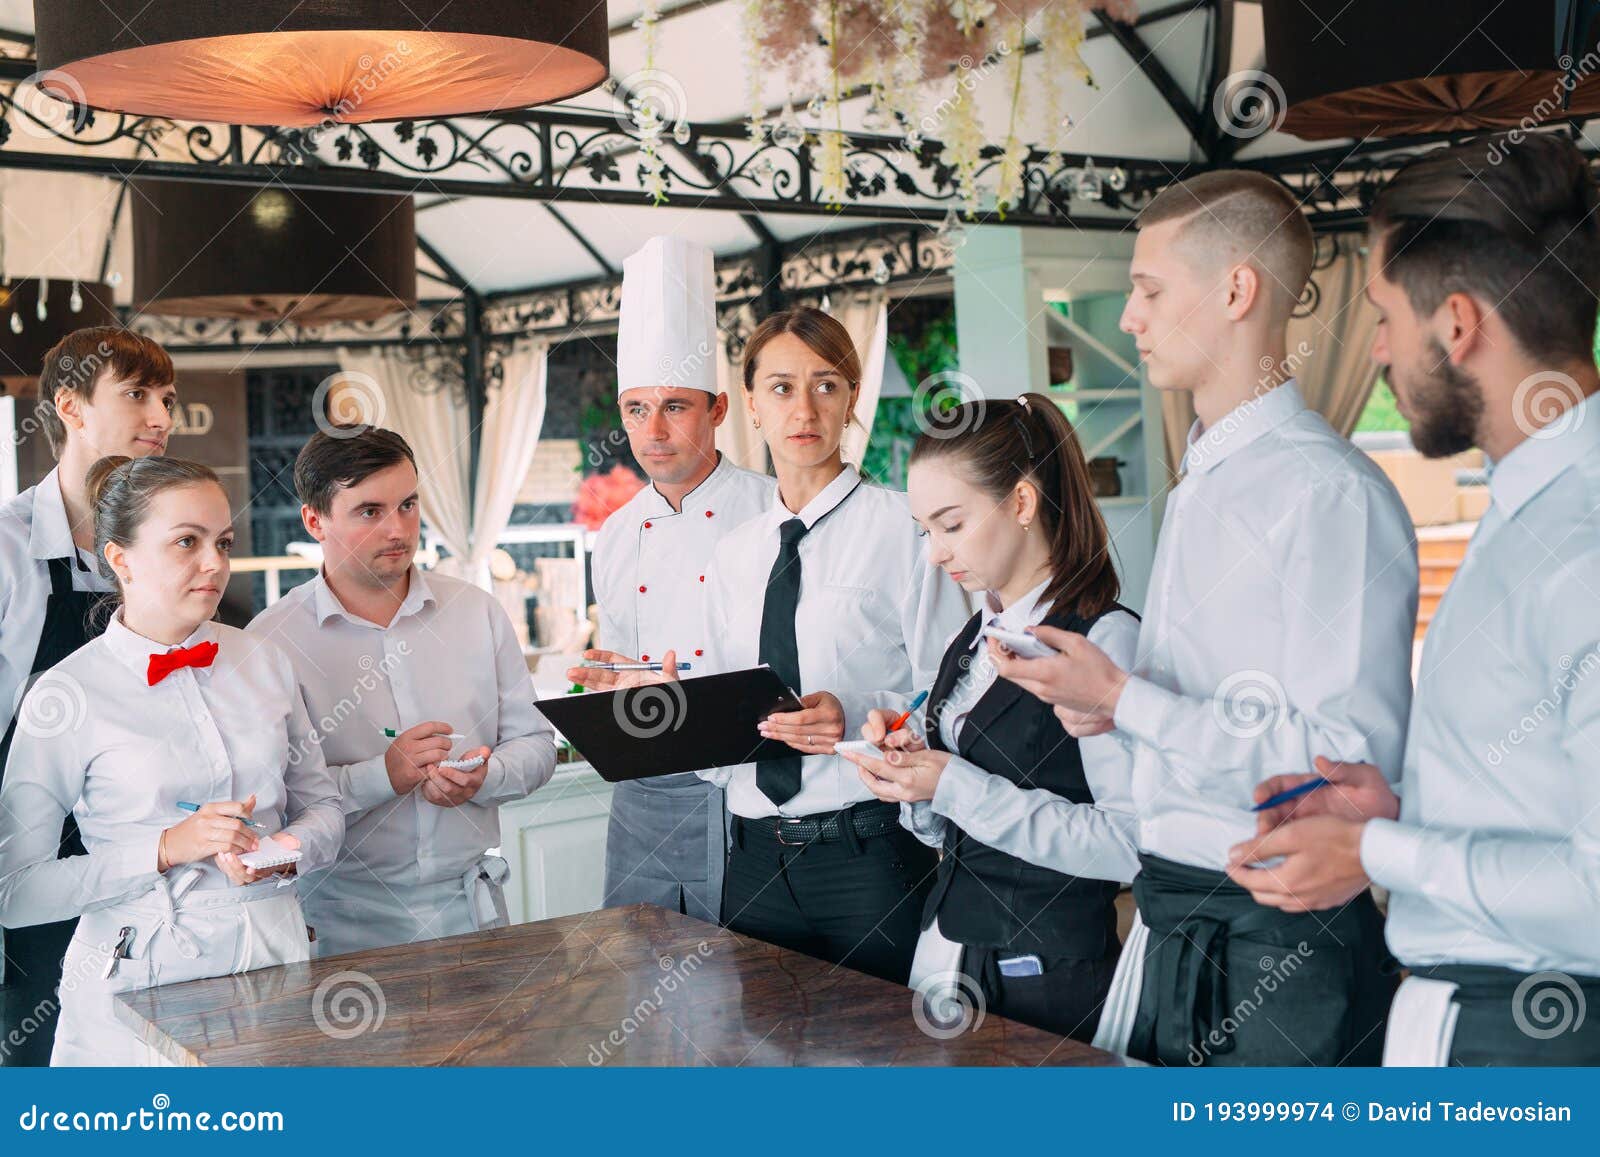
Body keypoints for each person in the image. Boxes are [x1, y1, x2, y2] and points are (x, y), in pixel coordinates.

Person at [993, 171, 1419, 1065]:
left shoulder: (1328, 491)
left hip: (1275, 939)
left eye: (1149, 290)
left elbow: (1344, 756)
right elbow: (1217, 714)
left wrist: (1127, 697)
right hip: (1173, 913)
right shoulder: (1204, 480)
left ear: (1236, 289)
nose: (1128, 318)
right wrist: (1112, 706)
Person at [1226, 133, 1600, 1066]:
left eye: (1386, 314)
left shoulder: (1581, 545)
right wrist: (1397, 814)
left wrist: (1383, 854)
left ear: (1460, 324)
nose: (1380, 347)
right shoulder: (1531, 506)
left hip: (1529, 1039)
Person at [580, 307, 969, 983]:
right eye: (783, 387)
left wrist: (858, 715)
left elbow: (958, 693)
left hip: (870, 853)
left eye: (825, 384)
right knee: (762, 1065)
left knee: (888, 1071)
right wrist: (679, 712)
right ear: (753, 407)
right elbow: (726, 728)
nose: (805, 408)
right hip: (752, 861)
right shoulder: (735, 554)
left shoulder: (906, 529)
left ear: (851, 396)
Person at [0, 455, 343, 1066]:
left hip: (274, 963)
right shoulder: (65, 695)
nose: (214, 564)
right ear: (120, 558)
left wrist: (280, 853)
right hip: (135, 984)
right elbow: (16, 892)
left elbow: (324, 807)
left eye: (224, 542)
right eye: (187, 541)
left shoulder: (265, 662)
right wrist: (162, 849)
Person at [839, 394, 1140, 1042]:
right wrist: (911, 774)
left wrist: (951, 782)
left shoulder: (1105, 640)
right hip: (949, 954)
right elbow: (950, 834)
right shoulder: (972, 637)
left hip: (1049, 981)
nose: (934, 554)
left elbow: (1127, 844)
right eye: (924, 529)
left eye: (951, 524)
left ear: (1023, 504)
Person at [248, 426, 557, 957]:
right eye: (370, 511)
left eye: (408, 505)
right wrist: (381, 777)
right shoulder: (269, 642)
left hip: (472, 909)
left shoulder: (476, 611)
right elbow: (267, 805)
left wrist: (488, 776)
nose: (398, 529)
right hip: (336, 922)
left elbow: (537, 745)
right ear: (314, 520)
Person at [581, 236, 771, 923]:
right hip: (642, 792)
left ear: (718, 409)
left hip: (745, 788)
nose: (652, 430)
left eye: (675, 407)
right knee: (642, 968)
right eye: (636, 409)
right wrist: (610, 684)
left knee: (744, 992)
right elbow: (630, 663)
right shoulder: (618, 531)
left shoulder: (772, 512)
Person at [0, 327, 176, 1066]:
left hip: (145, 848)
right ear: (68, 406)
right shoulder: (8, 546)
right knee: (38, 1057)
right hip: (32, 853)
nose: (161, 416)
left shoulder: (163, 548)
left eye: (167, 398)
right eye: (136, 394)